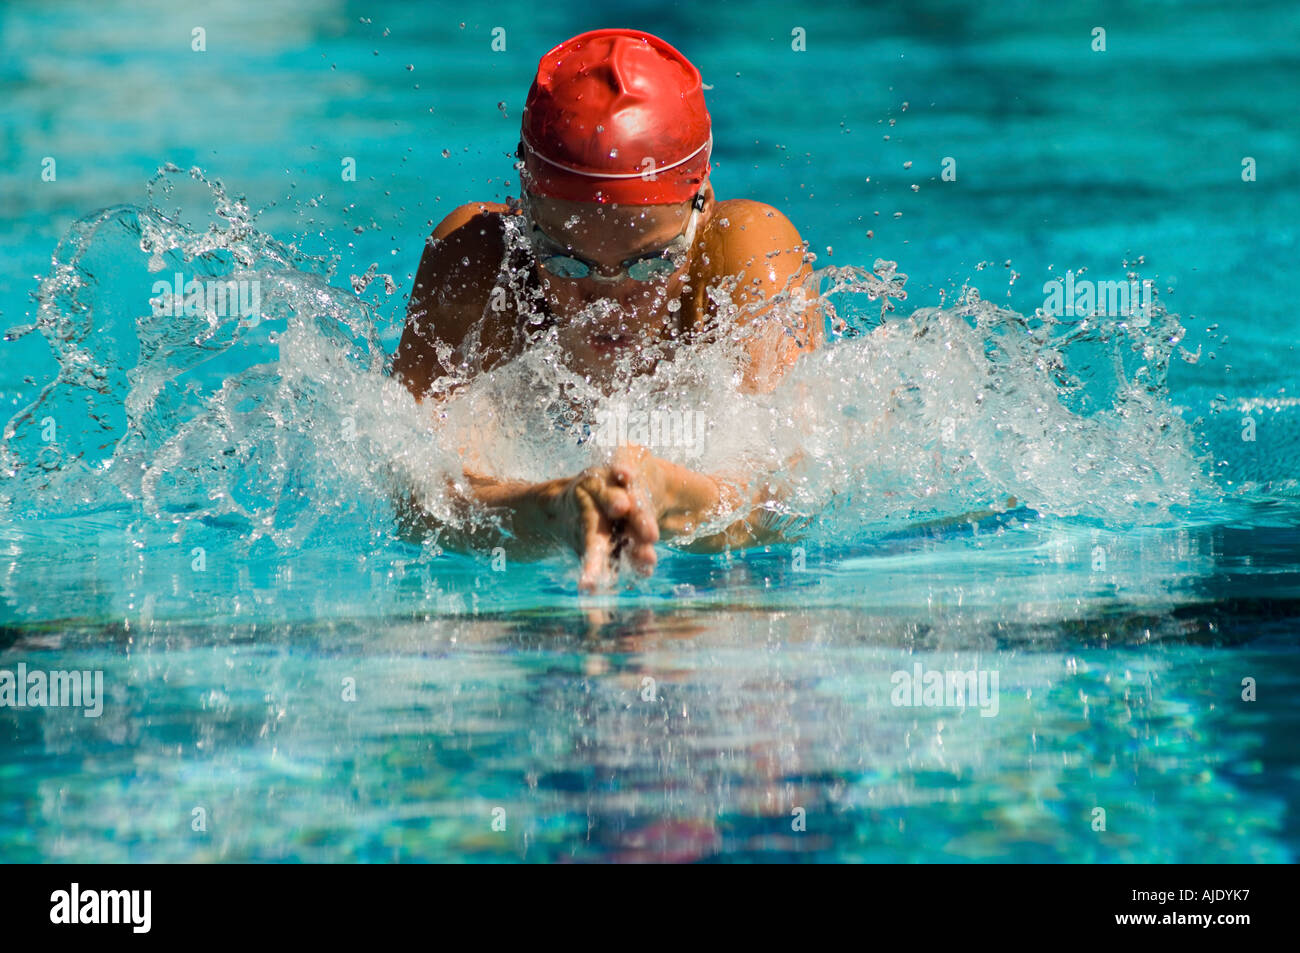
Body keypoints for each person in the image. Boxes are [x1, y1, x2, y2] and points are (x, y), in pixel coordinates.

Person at [393, 28, 820, 590]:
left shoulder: (745, 258)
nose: (608, 299)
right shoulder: (479, 266)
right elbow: (416, 497)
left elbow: (791, 493)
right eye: (566, 261)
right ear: (523, 211)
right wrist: (551, 508)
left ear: (701, 208)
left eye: (648, 264)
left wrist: (674, 499)